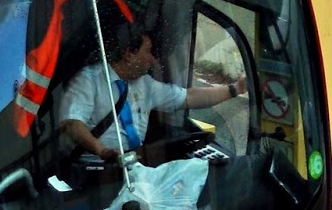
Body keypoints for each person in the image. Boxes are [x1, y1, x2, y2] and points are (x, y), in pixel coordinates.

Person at [57, 20, 247, 165]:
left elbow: (188, 97)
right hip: (95, 167)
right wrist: (103, 151)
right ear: (129, 54)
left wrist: (235, 89)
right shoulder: (89, 80)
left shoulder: (145, 85)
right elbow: (72, 124)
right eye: (148, 51)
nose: (153, 59)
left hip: (132, 165)